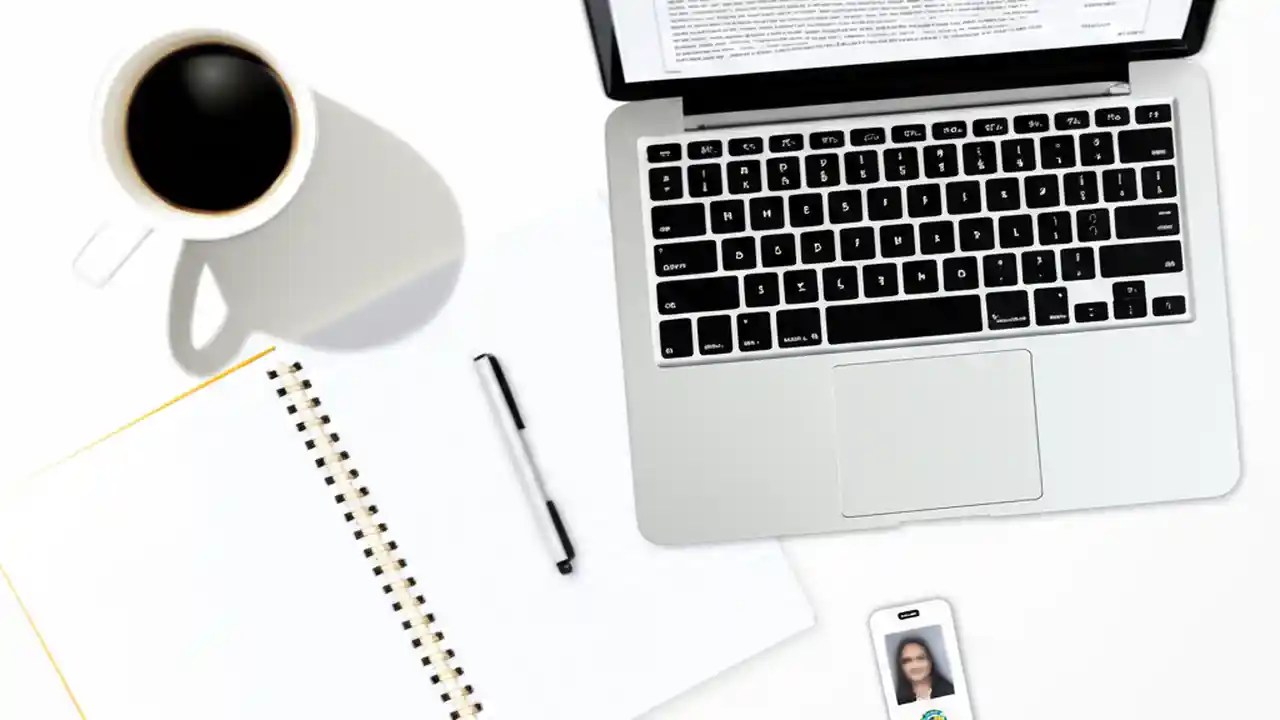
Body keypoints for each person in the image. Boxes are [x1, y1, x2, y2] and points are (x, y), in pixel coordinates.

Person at [893, 636, 955, 705]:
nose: (915, 666)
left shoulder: (951, 691)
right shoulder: (897, 702)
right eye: (907, 661)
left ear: (930, 661)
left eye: (920, 658)